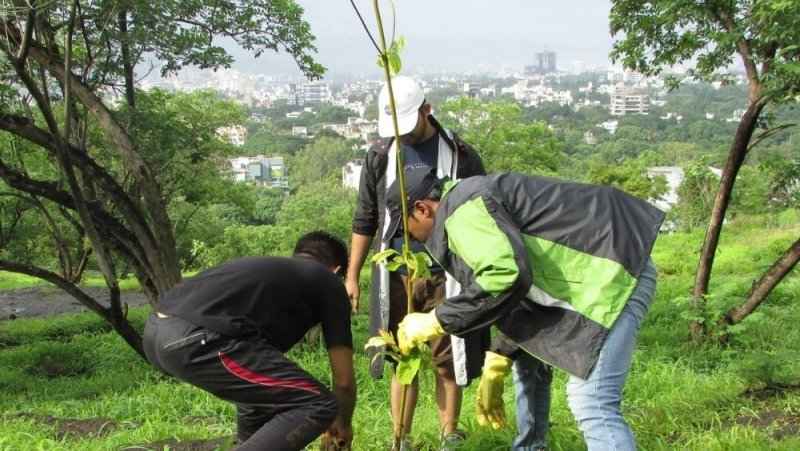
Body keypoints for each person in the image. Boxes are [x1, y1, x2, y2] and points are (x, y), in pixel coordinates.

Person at [390, 168, 665, 451]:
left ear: (422, 209)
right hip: (604, 266)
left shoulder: (462, 213)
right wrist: (500, 354)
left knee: (591, 400)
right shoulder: (469, 198)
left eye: (404, 230)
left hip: (614, 273)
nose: (410, 240)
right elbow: (520, 289)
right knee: (529, 360)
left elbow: (505, 276)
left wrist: (436, 320)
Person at [346, 75, 489, 447]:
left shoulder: (459, 154)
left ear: (427, 110)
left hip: (447, 273)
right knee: (401, 356)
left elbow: (483, 211)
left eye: (409, 126)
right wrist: (352, 276)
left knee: (448, 358)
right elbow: (365, 218)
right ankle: (401, 438)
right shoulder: (380, 155)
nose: (404, 135)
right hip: (395, 273)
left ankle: (449, 435)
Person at [143, 231, 357, 451]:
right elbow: (343, 381)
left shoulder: (272, 275)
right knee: (318, 404)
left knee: (259, 404)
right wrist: (342, 425)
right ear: (337, 271)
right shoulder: (329, 283)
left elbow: (259, 376)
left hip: (156, 332)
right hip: (195, 336)